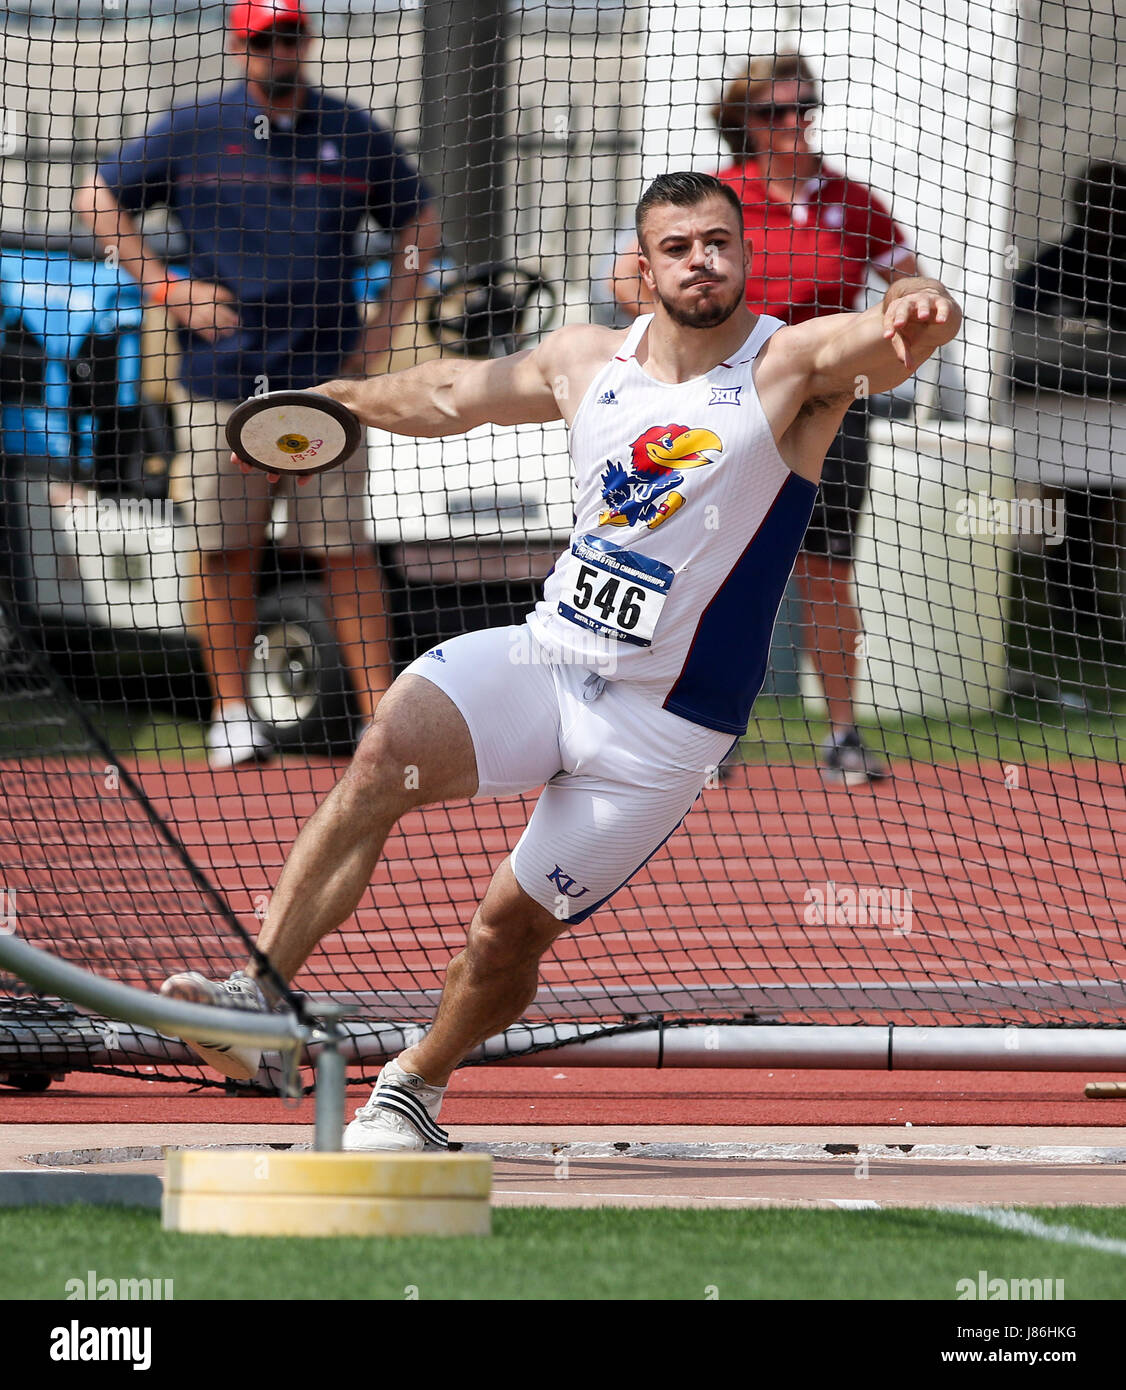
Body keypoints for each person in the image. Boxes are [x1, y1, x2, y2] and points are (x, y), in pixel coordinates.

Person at [161, 171, 960, 1151]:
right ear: (640, 267)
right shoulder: (587, 359)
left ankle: (414, 1084)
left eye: (717, 241)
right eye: (677, 246)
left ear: (743, 256)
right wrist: (337, 399)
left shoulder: (789, 367)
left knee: (507, 931)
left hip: (661, 730)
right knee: (381, 756)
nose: (700, 259)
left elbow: (893, 337)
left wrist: (920, 309)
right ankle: (257, 1006)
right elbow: (451, 391)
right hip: (546, 659)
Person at [75, 0, 440, 768]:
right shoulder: (192, 128)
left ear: (308, 41)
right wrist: (167, 289)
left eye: (290, 35)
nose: (278, 50)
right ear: (238, 45)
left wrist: (382, 328)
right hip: (222, 382)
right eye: (262, 38)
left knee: (343, 551)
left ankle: (378, 720)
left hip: (327, 384)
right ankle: (232, 715)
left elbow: (421, 227)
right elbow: (96, 199)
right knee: (224, 549)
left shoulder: (351, 131)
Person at [612, 53, 920, 786]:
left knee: (824, 572)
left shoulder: (852, 198)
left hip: (826, 409)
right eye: (775, 113)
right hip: (726, 402)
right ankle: (699, 734)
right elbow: (628, 279)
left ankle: (843, 735)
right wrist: (689, 331)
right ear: (745, 124)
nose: (794, 124)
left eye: (803, 107)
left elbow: (906, 278)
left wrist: (896, 322)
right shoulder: (726, 198)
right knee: (705, 567)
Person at [1011, 160, 1126, 638]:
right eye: (1100, 203)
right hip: (1057, 414)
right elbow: (1019, 337)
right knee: (1068, 513)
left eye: (1117, 203)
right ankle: (1077, 621)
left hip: (1119, 412)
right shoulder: (1048, 269)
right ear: (1080, 206)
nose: (1109, 214)